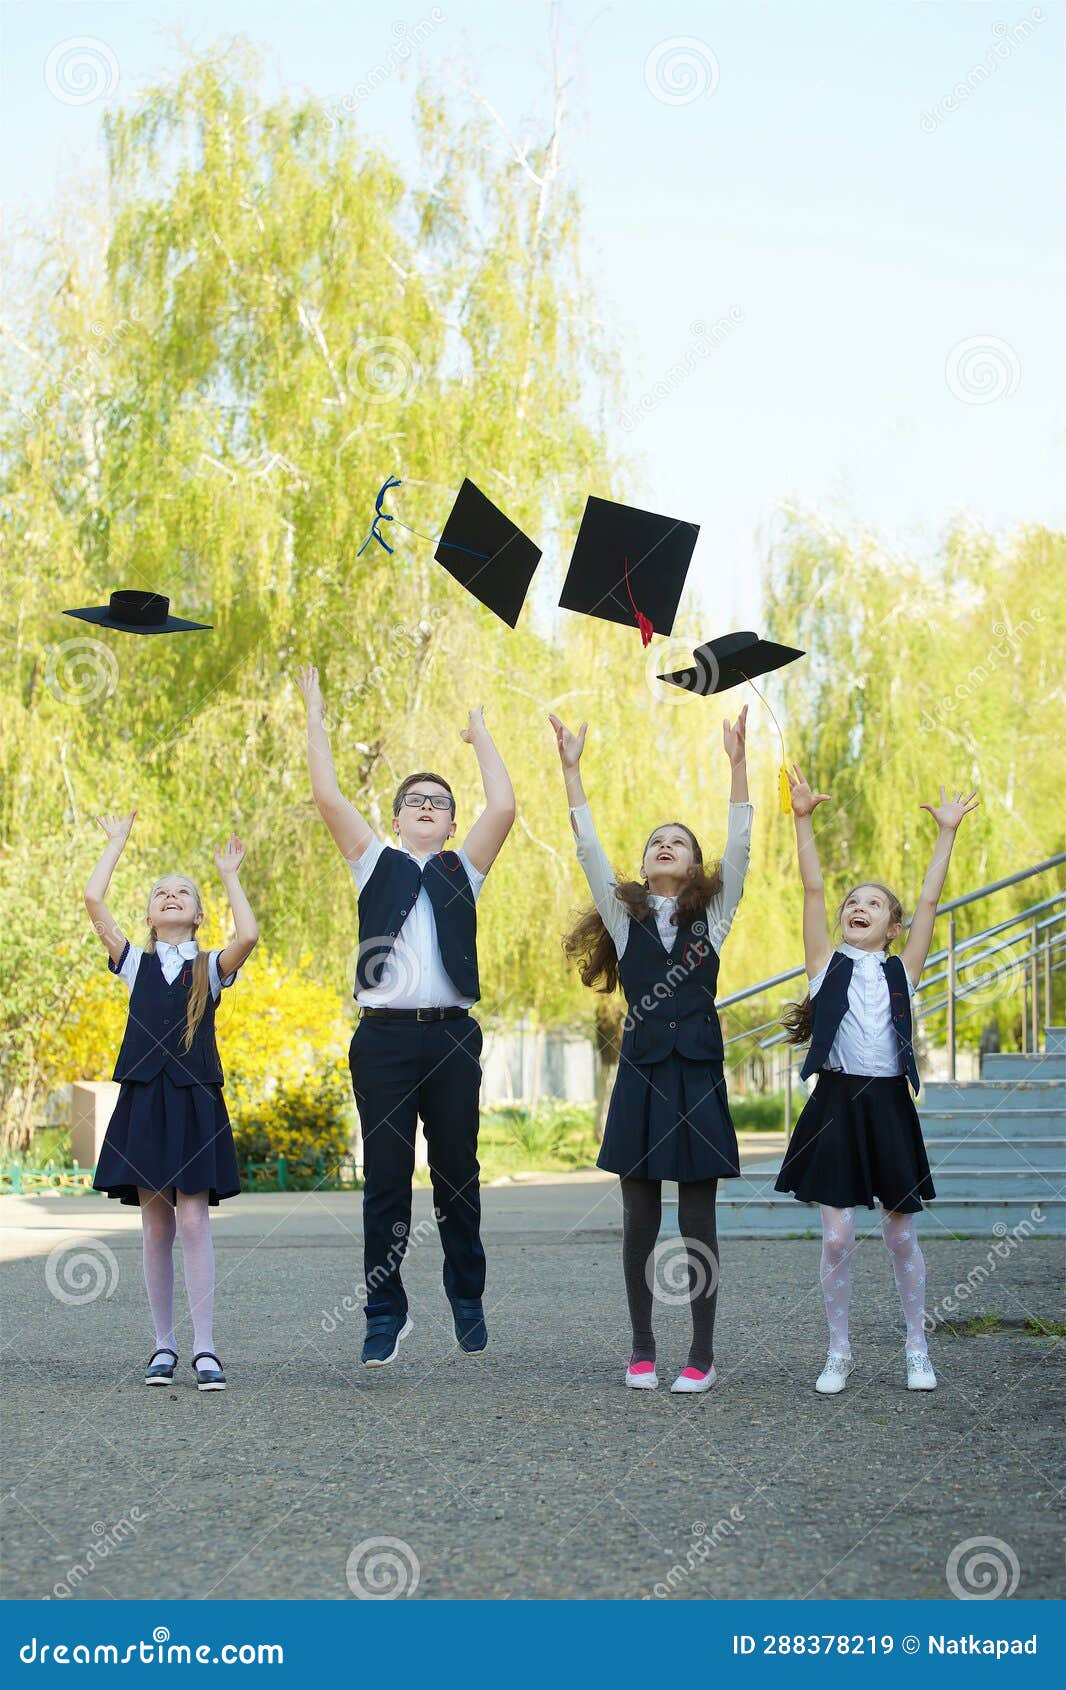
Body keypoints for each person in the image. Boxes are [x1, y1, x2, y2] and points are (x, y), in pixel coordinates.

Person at [296, 663, 515, 1367]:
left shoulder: (464, 869)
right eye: (415, 800)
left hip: (451, 1039)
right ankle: (385, 1309)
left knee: (457, 1172)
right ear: (395, 817)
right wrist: (315, 709)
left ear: (451, 822)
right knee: (387, 1180)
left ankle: (466, 1290)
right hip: (383, 1043)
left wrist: (479, 734)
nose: (427, 807)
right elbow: (326, 795)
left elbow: (505, 807)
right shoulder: (374, 861)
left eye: (439, 802)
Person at [550, 706, 752, 1394]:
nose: (666, 846)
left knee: (697, 1216)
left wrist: (737, 766)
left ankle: (701, 1353)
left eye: (679, 842)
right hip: (640, 1076)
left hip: (696, 1076)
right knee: (640, 1214)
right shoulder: (622, 913)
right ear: (641, 864)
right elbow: (586, 850)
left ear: (695, 865)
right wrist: (571, 771)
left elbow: (744, 846)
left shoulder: (713, 918)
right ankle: (641, 1348)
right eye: (656, 841)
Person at [774, 767, 979, 1393]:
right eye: (852, 902)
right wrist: (802, 819)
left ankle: (917, 1345)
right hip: (835, 1102)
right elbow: (813, 889)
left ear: (891, 927)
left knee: (899, 1230)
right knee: (837, 1236)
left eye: (872, 904)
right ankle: (840, 1351)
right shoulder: (823, 965)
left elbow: (928, 902)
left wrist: (945, 835)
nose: (856, 907)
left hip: (889, 1103)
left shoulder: (901, 969)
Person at [86, 811, 258, 1391]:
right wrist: (116, 843)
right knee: (155, 1225)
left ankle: (205, 1348)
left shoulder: (210, 967)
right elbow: (92, 899)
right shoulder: (134, 964)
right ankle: (163, 1346)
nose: (170, 895)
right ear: (150, 913)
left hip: (193, 1102)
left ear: (197, 912)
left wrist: (229, 874)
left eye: (182, 891)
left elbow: (249, 936)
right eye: (161, 891)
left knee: (193, 1220)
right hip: (145, 1100)